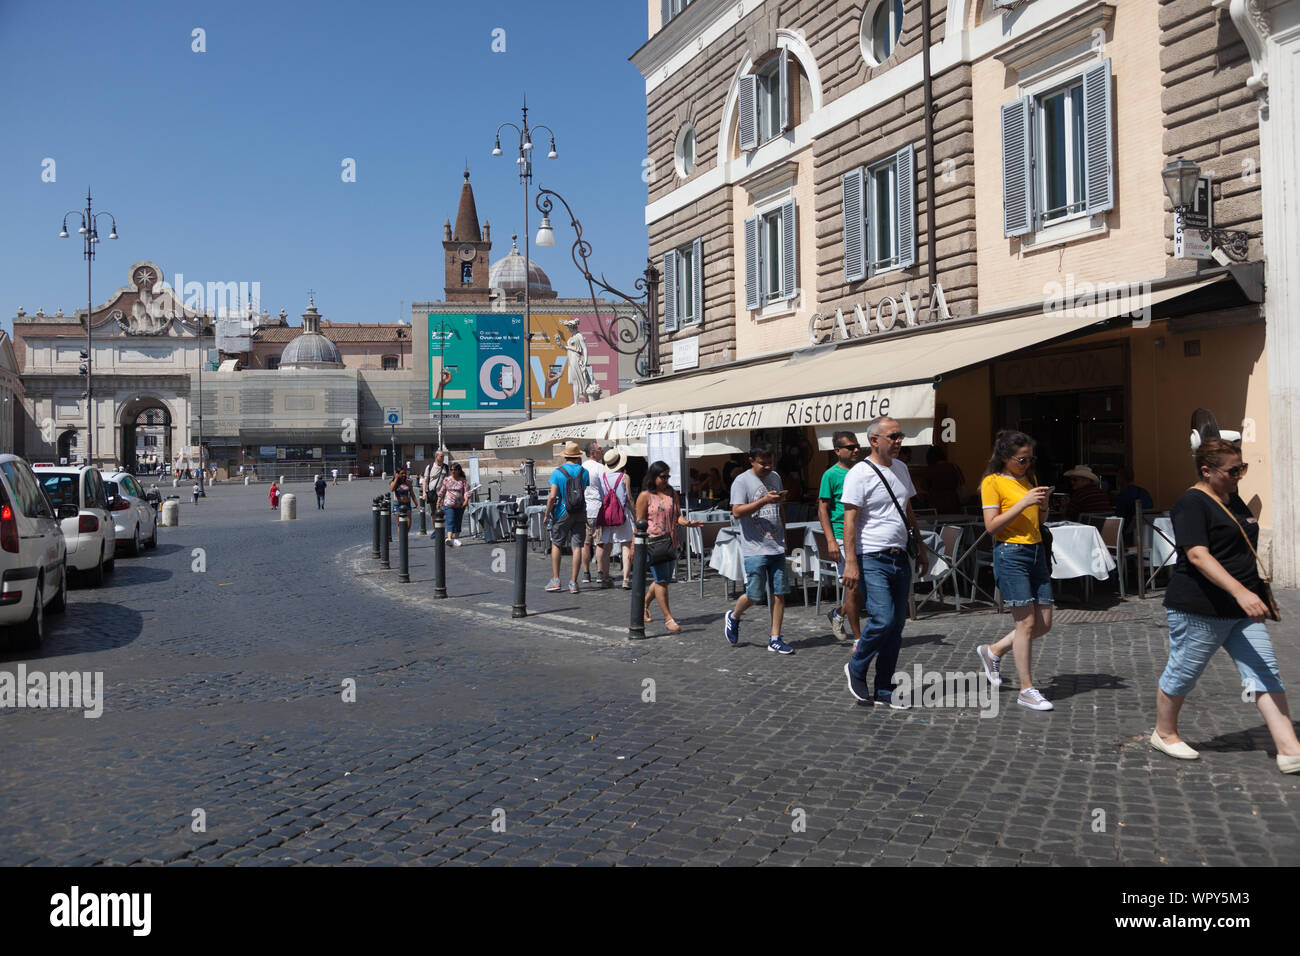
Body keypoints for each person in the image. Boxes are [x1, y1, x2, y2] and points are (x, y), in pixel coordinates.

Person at [1151, 438, 1299, 773]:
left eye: (1242, 468)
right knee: (1183, 673)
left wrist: (1248, 593)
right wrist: (1240, 591)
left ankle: (1290, 747)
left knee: (1265, 670)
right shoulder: (1191, 502)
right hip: (1200, 607)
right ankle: (1164, 732)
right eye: (1234, 470)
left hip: (1241, 609)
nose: (1240, 475)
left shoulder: (1233, 498)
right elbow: (1197, 555)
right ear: (1207, 470)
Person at [841, 418, 929, 705]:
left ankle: (884, 687)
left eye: (900, 436)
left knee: (896, 626)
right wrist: (851, 562)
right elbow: (850, 521)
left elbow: (907, 508)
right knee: (882, 619)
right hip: (872, 557)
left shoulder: (902, 469)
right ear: (874, 440)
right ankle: (856, 665)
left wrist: (921, 547)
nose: (899, 440)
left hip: (899, 555)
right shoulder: (859, 474)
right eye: (893, 436)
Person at [974, 430, 1056, 712]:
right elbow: (991, 526)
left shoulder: (1029, 480)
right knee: (1026, 624)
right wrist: (1023, 503)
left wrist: (1043, 506)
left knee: (1044, 623)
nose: (1027, 464)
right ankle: (1026, 689)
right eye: (1022, 460)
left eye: (1030, 459)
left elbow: (1040, 519)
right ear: (1005, 458)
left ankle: (993, 650)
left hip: (1036, 551)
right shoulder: (992, 482)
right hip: (1010, 552)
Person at [723, 444, 795, 655]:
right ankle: (734, 616)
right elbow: (736, 512)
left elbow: (780, 506)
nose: (767, 466)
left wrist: (784, 534)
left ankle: (775, 638)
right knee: (753, 595)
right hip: (754, 547)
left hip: (776, 545)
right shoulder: (741, 481)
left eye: (770, 462)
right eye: (763, 462)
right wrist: (764, 500)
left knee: (779, 593)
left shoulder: (775, 477)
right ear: (751, 460)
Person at [637, 460, 702, 633]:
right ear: (653, 476)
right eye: (662, 476)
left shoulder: (671, 492)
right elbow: (639, 523)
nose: (666, 480)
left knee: (663, 579)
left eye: (668, 476)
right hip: (654, 543)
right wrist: (636, 548)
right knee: (662, 581)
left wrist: (687, 523)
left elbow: (677, 516)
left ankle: (643, 604)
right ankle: (668, 618)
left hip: (671, 542)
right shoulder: (645, 496)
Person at [819, 431, 861, 643]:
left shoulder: (863, 470)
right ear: (837, 451)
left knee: (864, 589)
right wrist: (830, 540)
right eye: (850, 447)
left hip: (864, 535)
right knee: (853, 587)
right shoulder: (831, 475)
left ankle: (838, 614)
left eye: (857, 446)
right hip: (841, 535)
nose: (856, 450)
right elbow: (822, 509)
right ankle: (859, 638)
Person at [544, 442, 589, 594]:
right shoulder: (584, 472)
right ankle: (573, 583)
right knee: (577, 547)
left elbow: (552, 497)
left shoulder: (557, 473)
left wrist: (547, 514)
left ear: (565, 456)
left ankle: (556, 579)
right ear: (578, 456)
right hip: (580, 511)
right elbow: (583, 491)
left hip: (562, 513)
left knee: (556, 544)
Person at [599, 448, 636, 589]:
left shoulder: (601, 477)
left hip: (607, 515)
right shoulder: (624, 477)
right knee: (625, 545)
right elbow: (629, 498)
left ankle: (605, 577)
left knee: (606, 547)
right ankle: (626, 578)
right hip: (622, 515)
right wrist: (635, 515)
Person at [580, 441, 611, 586]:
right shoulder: (601, 468)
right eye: (600, 450)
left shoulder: (581, 467)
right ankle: (600, 572)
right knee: (599, 543)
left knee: (585, 544)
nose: (602, 451)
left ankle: (586, 573)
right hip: (598, 508)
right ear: (593, 453)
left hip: (584, 509)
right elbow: (606, 489)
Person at [1114, 465, 1153, 544]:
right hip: (1148, 533)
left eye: (1117, 476)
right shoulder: (1144, 492)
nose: (1116, 479)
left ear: (1121, 478)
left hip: (1130, 535)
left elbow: (1119, 517)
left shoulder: (1123, 495)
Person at [924, 445, 965, 515]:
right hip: (953, 502)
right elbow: (962, 481)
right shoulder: (953, 467)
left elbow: (925, 486)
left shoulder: (931, 470)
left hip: (936, 503)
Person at [438, 463, 469, 547]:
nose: (453, 471)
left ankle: (456, 539)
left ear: (459, 470)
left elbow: (466, 492)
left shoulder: (463, 481)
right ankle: (449, 538)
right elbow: (442, 491)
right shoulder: (447, 480)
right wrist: (438, 501)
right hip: (448, 504)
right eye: (451, 470)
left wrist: (466, 500)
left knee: (458, 521)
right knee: (450, 520)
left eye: (454, 470)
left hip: (460, 504)